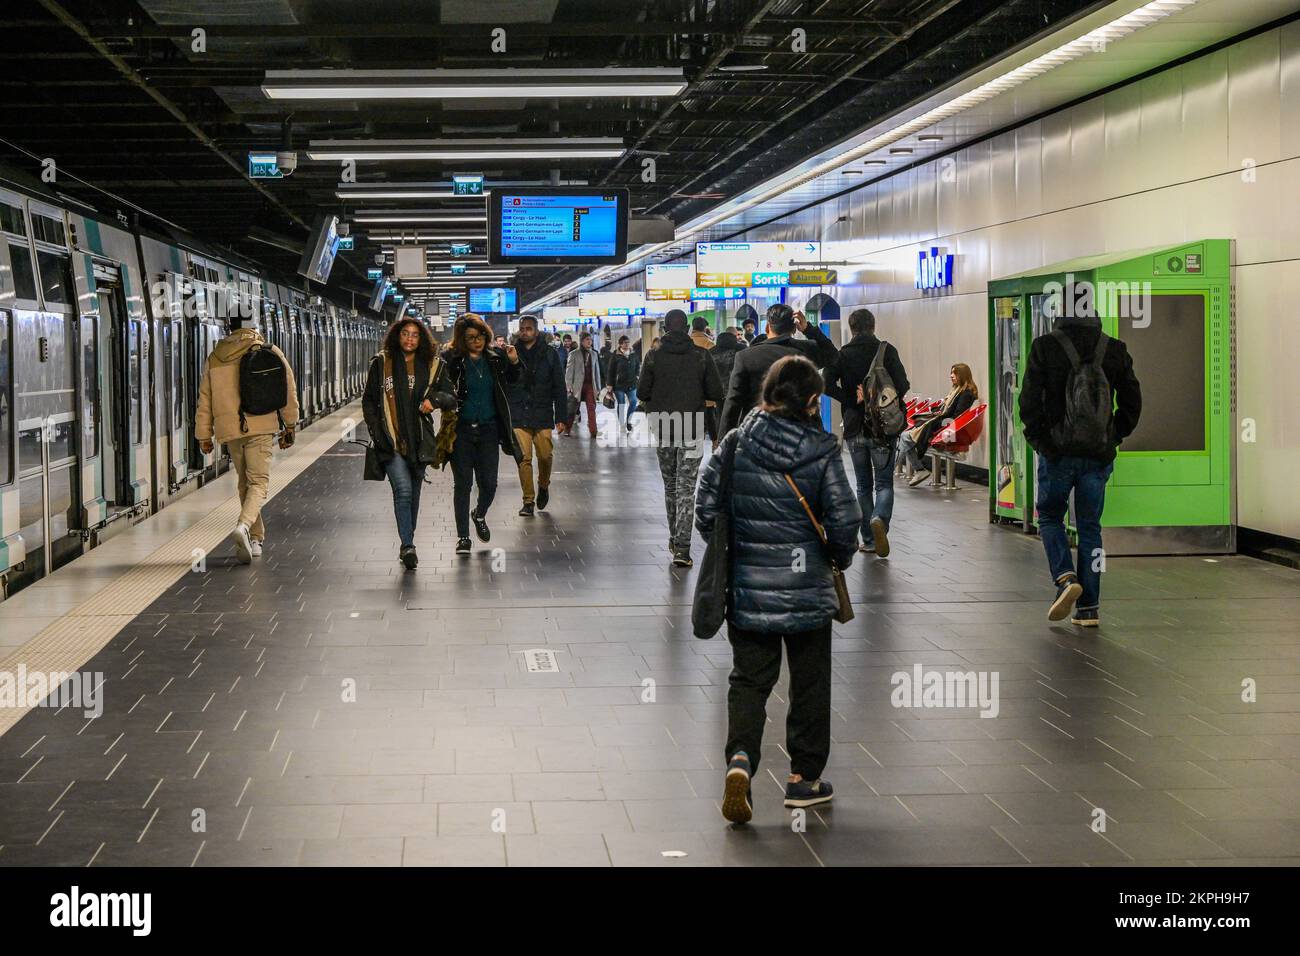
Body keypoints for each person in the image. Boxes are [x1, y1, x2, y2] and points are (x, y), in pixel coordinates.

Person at [696, 355, 860, 824]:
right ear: (811, 400)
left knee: (749, 680)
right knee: (809, 683)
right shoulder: (822, 448)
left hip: (748, 589)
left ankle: (741, 762)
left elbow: (706, 509)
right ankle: (803, 781)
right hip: (808, 589)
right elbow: (845, 521)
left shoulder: (734, 443)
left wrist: (735, 552)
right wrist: (838, 558)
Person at [1019, 312, 1141, 627]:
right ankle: (1089, 609)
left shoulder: (1045, 346)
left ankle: (1064, 578)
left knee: (1049, 516)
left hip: (1058, 455)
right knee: (1090, 528)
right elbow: (1132, 401)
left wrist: (1041, 442)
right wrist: (1113, 437)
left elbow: (1028, 401)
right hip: (1097, 456)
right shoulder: (1114, 348)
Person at [196, 314, 299, 564]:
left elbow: (205, 398)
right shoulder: (268, 350)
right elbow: (287, 388)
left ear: (229, 328)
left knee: (245, 483)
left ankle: (255, 538)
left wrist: (203, 435)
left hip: (231, 429)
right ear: (253, 327)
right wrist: (291, 424)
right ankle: (244, 527)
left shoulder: (216, 356)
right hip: (261, 425)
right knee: (259, 483)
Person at [361, 317, 456, 569]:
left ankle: (408, 538)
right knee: (402, 490)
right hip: (390, 441)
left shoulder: (433, 365)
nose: (410, 339)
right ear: (397, 335)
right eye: (405, 334)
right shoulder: (382, 363)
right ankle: (407, 545)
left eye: (415, 335)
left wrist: (433, 401)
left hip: (421, 441)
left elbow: (450, 397)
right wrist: (376, 429)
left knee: (413, 494)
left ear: (421, 338)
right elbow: (369, 400)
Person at [637, 309, 723, 567]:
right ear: (687, 329)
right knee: (686, 487)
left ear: (664, 329)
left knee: (671, 485)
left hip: (663, 426)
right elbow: (716, 391)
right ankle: (683, 549)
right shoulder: (701, 355)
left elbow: (642, 391)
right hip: (692, 426)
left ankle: (675, 537)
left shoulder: (653, 356)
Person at [823, 308, 909, 556]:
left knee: (862, 485)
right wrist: (880, 399)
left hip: (854, 425)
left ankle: (869, 540)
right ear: (873, 325)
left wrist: (852, 399)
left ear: (852, 328)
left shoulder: (843, 355)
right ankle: (879, 518)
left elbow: (827, 384)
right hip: (883, 428)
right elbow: (902, 385)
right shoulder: (886, 350)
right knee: (884, 483)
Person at [441, 313, 523, 555]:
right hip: (461, 431)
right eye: (470, 338)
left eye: (480, 336)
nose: (476, 341)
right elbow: (439, 389)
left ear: (486, 336)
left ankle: (479, 513)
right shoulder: (453, 361)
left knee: (489, 484)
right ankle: (463, 537)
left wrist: (515, 362)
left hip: (489, 430)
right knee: (462, 485)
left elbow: (514, 381)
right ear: (462, 340)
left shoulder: (496, 358)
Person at [718, 303, 839, 437]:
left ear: (767, 327)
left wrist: (724, 441)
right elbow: (833, 356)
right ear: (794, 329)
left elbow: (733, 401)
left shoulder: (746, 356)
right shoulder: (806, 351)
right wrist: (808, 329)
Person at [508, 314, 567, 517]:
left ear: (536, 330)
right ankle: (528, 501)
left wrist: (562, 416)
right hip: (519, 412)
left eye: (529, 328)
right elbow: (507, 381)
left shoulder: (549, 354)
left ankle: (543, 484)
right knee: (523, 458)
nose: (525, 332)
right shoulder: (512, 352)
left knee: (545, 455)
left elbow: (559, 386)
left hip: (542, 412)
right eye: (522, 328)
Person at [900, 363, 979, 487]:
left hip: (949, 429)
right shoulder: (957, 390)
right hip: (945, 425)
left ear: (963, 375)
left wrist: (937, 419)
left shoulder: (966, 393)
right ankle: (918, 469)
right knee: (905, 437)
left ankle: (918, 469)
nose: (951, 376)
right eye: (951, 372)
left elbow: (956, 416)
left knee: (905, 437)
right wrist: (937, 413)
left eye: (954, 373)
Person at [563, 331, 603, 438]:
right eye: (587, 340)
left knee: (591, 407)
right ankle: (567, 428)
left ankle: (593, 430)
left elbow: (597, 371)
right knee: (572, 409)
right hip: (577, 385)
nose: (589, 342)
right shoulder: (574, 354)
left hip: (590, 385)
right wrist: (569, 385)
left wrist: (598, 387)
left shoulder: (594, 354)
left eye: (590, 340)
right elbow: (569, 371)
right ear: (582, 341)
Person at [609, 335, 639, 433]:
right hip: (619, 385)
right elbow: (611, 370)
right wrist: (609, 384)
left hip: (631, 383)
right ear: (620, 344)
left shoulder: (633, 354)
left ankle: (628, 421)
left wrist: (637, 376)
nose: (627, 344)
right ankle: (622, 424)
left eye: (628, 342)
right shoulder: (615, 355)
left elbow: (637, 366)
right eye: (625, 342)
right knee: (621, 404)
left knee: (634, 402)